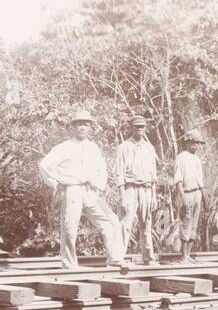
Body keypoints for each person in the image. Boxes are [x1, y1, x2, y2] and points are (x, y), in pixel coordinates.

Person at [38, 108, 125, 269]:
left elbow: (102, 169)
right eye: (79, 124)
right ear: (72, 127)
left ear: (90, 127)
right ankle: (70, 264)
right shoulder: (64, 147)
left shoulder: (93, 148)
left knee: (111, 220)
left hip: (91, 192)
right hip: (72, 190)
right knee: (70, 228)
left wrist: (99, 186)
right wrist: (55, 184)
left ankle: (115, 258)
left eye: (85, 124)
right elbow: (44, 166)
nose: (82, 128)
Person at [113, 115, 159, 264]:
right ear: (131, 128)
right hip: (130, 188)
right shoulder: (124, 147)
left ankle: (148, 257)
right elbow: (119, 172)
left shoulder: (149, 148)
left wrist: (153, 195)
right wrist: (122, 195)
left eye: (142, 126)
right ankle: (118, 257)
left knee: (146, 224)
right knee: (125, 223)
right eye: (137, 126)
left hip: (146, 189)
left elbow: (153, 174)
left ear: (145, 128)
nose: (140, 129)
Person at [172, 129, 207, 263]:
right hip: (186, 193)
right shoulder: (181, 157)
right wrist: (183, 197)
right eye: (193, 143)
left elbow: (200, 180)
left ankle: (188, 254)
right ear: (187, 142)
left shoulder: (197, 160)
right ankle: (183, 256)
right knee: (186, 223)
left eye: (198, 143)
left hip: (197, 193)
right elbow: (178, 180)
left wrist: (204, 197)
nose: (196, 146)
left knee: (194, 225)